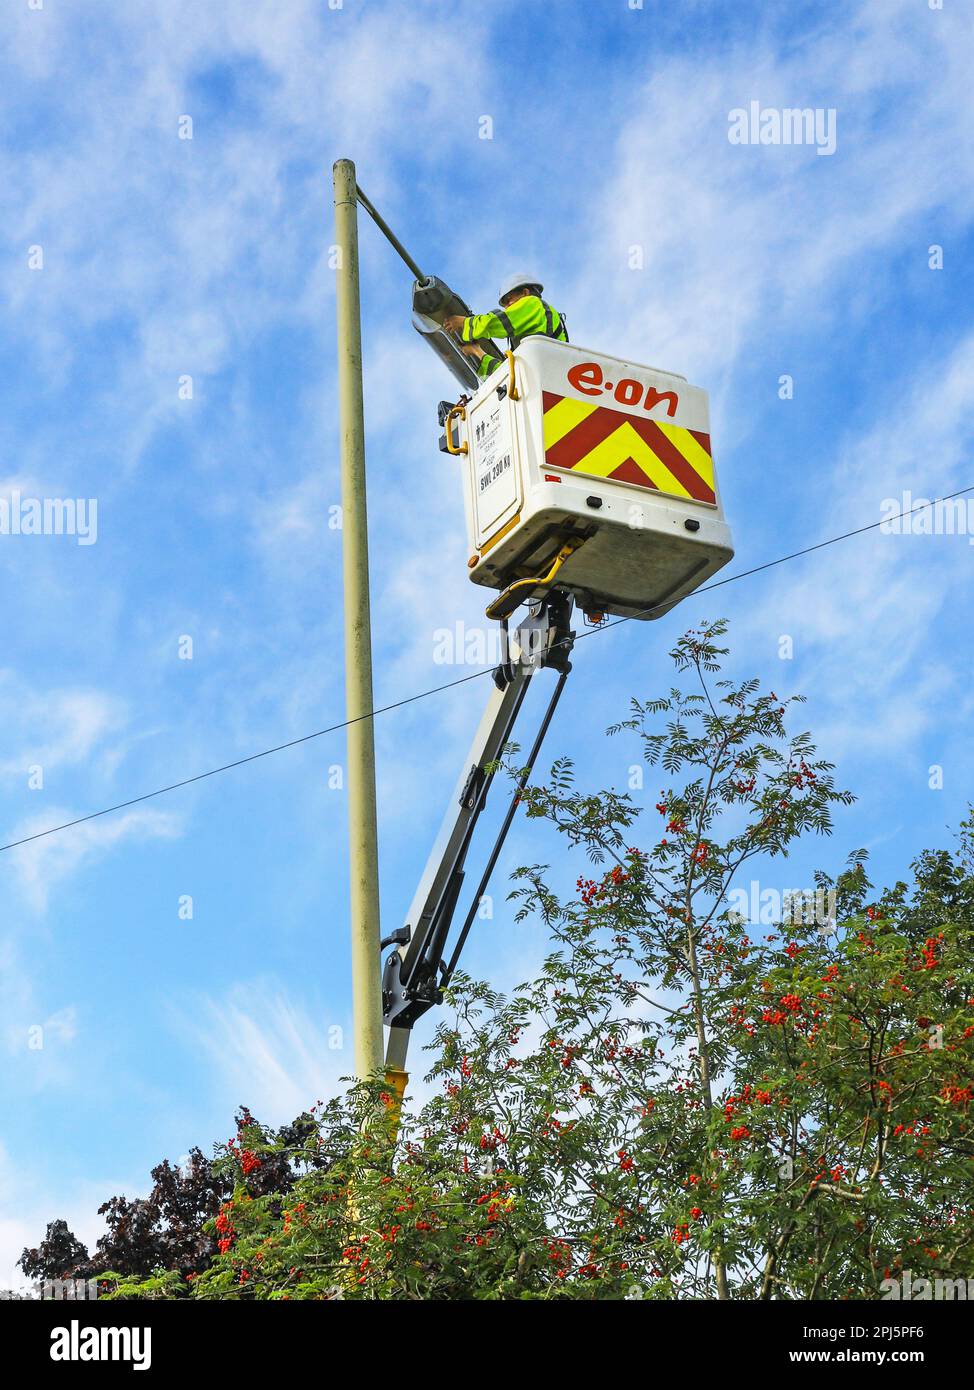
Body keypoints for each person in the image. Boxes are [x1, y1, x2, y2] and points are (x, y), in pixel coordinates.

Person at [443, 274, 568, 379]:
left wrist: (465, 323)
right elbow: (505, 374)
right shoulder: (527, 344)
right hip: (545, 376)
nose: (508, 307)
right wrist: (476, 351)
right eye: (505, 305)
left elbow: (497, 322)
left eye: (509, 300)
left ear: (525, 293)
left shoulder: (533, 303)